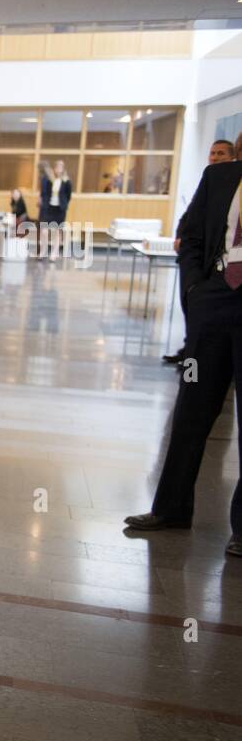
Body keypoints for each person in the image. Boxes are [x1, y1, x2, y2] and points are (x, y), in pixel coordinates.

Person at [124, 133, 242, 557]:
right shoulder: (219, 178)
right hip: (215, 300)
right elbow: (190, 235)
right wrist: (195, 289)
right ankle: (171, 508)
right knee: (191, 407)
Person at [164, 138, 236, 365]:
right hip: (200, 272)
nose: (215, 157)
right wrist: (193, 284)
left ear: (233, 157)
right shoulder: (210, 181)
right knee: (196, 324)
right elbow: (190, 220)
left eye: (221, 153)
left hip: (220, 274)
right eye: (212, 153)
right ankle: (189, 357)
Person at [38, 159, 72, 260]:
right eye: (57, 167)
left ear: (63, 169)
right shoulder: (49, 179)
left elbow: (68, 195)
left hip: (59, 209)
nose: (59, 169)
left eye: (61, 167)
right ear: (54, 168)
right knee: (44, 231)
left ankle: (54, 253)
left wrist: (63, 204)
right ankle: (43, 251)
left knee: (57, 232)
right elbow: (44, 192)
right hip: (49, 208)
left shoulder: (66, 181)